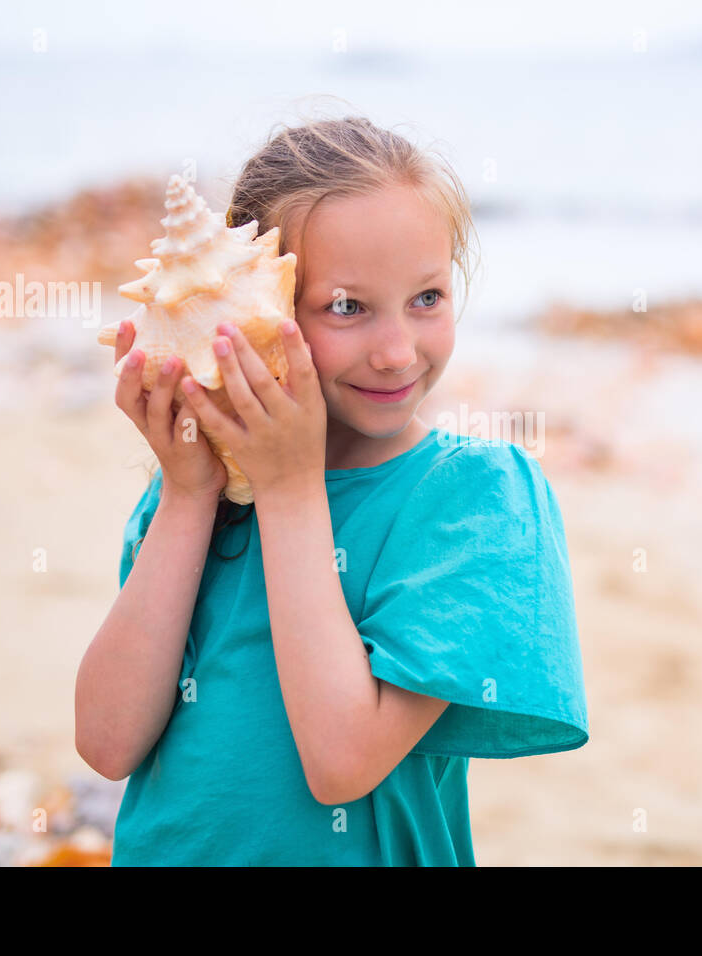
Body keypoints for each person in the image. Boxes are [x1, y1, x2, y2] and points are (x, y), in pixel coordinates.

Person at [75, 113, 589, 865]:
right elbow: (107, 742)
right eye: (347, 307)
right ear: (260, 309)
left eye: (428, 298)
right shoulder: (196, 498)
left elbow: (342, 762)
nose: (396, 352)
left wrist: (288, 490)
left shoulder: (473, 499)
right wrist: (188, 496)